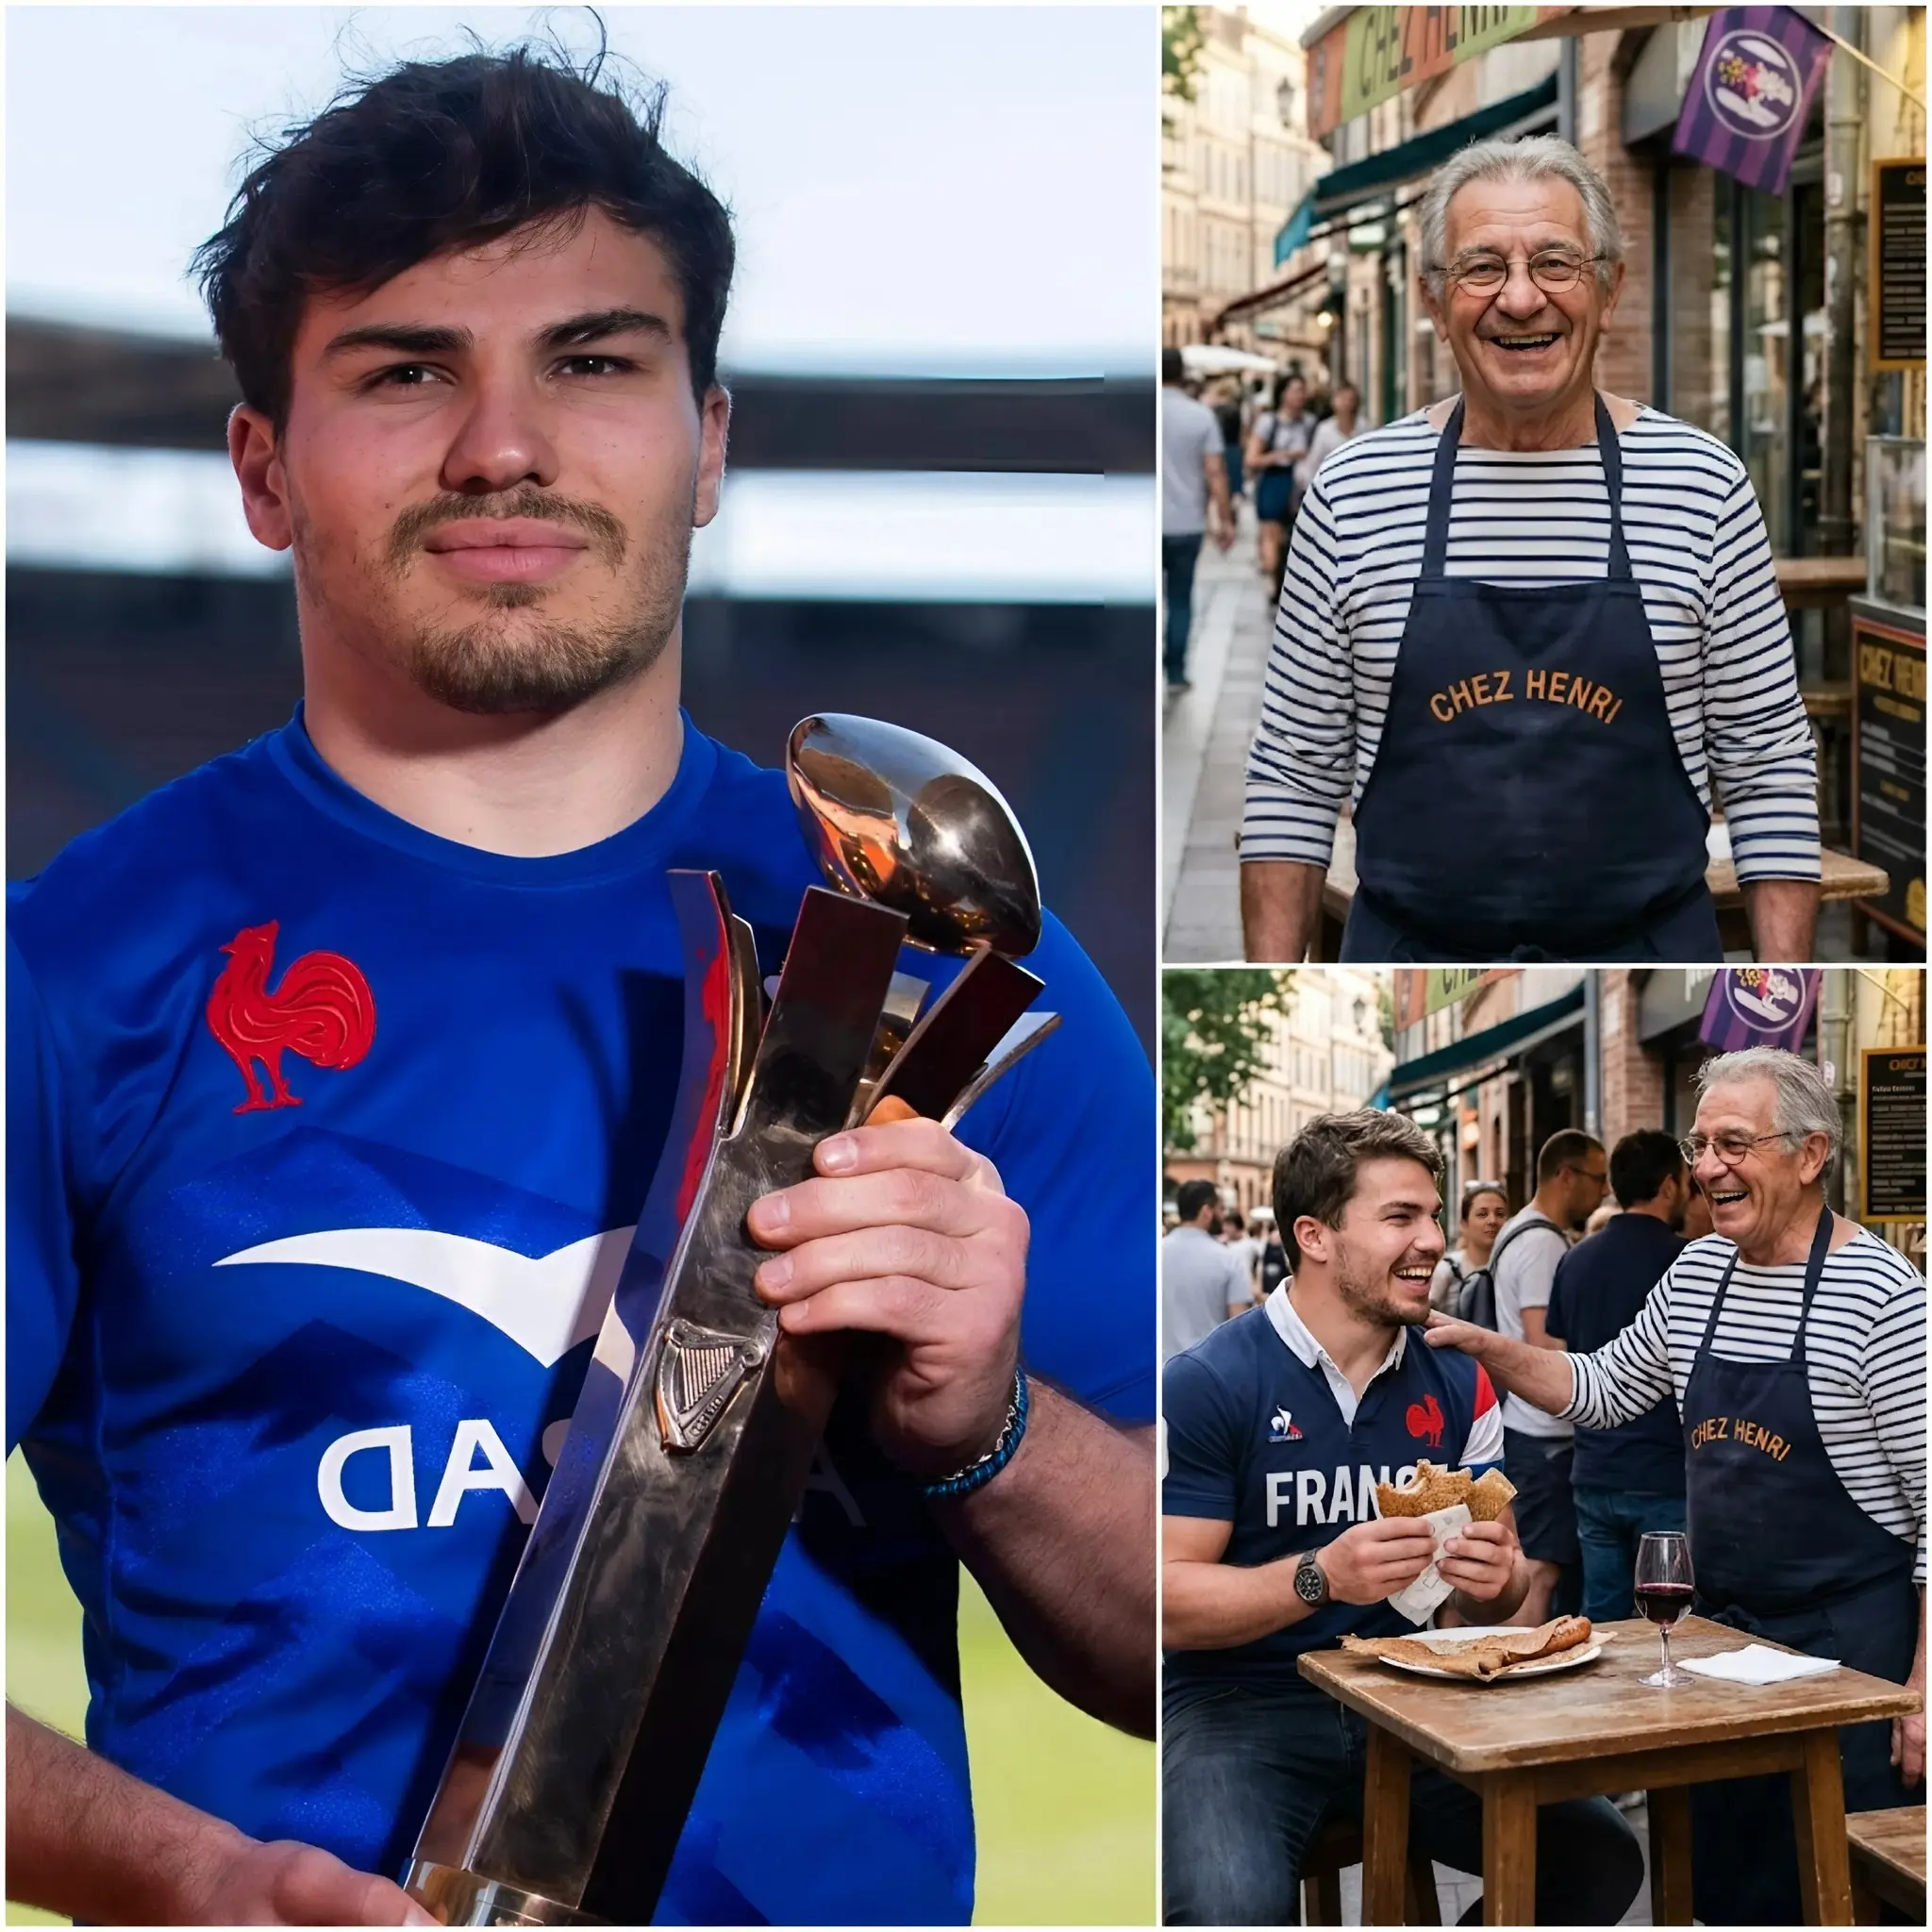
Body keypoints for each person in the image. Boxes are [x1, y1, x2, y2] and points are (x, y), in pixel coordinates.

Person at [5, 48, 1156, 1929]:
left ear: (708, 442)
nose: (501, 445)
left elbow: (1158, 1647)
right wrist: (191, 1877)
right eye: (404, 370)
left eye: (593, 361)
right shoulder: (67, 979)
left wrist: (991, 1424)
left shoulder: (941, 981)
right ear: (263, 470)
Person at [1240, 134, 1821, 965]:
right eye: (1482, 268)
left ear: (1609, 288)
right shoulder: (1352, 491)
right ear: (1436, 302)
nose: (1520, 299)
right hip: (1408, 947)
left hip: (1652, 946)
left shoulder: (1704, 484)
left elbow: (1767, 769)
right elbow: (1292, 777)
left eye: (1556, 263)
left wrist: (1780, 981)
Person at [1426, 1048, 1924, 1927]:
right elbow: (1604, 1388)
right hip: (1721, 1651)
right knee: (1727, 1891)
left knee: (1839, 1892)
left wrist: (1923, 1695)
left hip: (1854, 1659)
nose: (1707, 1167)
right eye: (1701, 1145)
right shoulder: (1697, 1275)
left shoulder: (1883, 1296)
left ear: (1810, 1155)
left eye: (1735, 1143)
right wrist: (1484, 1345)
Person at [1162, 1110, 1642, 1925]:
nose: (1432, 1240)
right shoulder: (1210, 1381)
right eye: (1399, 1218)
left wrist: (1501, 1582)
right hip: (1242, 1704)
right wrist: (1322, 1576)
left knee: (1598, 1855)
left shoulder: (1460, 1381)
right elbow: (1166, 1603)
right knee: (1228, 1908)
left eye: (1431, 1213)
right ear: (1315, 1236)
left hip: (1416, 1692)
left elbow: (1493, 1600)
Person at [1544, 1131, 1690, 1623]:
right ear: (1670, 1185)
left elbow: (1561, 1349)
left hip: (1594, 1467)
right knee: (1673, 1620)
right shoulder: (1687, 1263)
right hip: (1665, 1474)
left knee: (1602, 1621)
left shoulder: (1575, 1259)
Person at [1491, 1130, 1608, 1624]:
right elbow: (1543, 1343)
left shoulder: (1521, 1230)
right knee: (1540, 1569)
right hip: (1545, 1437)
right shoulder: (1542, 1243)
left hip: (1529, 1431)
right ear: (1566, 1176)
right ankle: (1519, 1678)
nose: (1604, 1191)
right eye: (1598, 1179)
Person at [1161, 346, 1236, 693]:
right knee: (1179, 599)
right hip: (1186, 523)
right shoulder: (1200, 416)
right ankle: (1175, 672)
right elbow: (1216, 473)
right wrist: (1225, 521)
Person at [1243, 371, 1316, 594]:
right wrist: (1284, 455)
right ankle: (1274, 582)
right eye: (1294, 390)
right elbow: (1252, 458)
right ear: (1282, 394)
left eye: (1302, 391)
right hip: (1275, 480)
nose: (1299, 396)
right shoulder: (1269, 422)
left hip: (1303, 483)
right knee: (1271, 534)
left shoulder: (1311, 423)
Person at [1162, 1181, 1250, 1361]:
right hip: (1208, 1373)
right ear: (1206, 1211)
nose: (1223, 1216)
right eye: (1220, 1209)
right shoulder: (1229, 1260)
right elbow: (1238, 1329)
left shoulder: (1155, 1253)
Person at [1428, 1177, 1508, 1313]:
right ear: (1464, 1223)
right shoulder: (1447, 1270)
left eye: (1500, 1214)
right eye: (1482, 1214)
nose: (1492, 1221)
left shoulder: (1513, 1268)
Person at [1295, 379, 1364, 496]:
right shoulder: (1325, 430)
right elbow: (1315, 463)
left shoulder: (1364, 427)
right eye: (1342, 398)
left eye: (1350, 399)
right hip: (1331, 491)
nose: (1346, 404)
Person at [1221, 1209, 1263, 1306]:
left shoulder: (1249, 1246)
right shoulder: (1222, 1245)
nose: (1225, 1228)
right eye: (1224, 1225)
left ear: (1237, 1226)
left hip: (1245, 1293)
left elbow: (1252, 1271)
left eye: (1228, 1225)